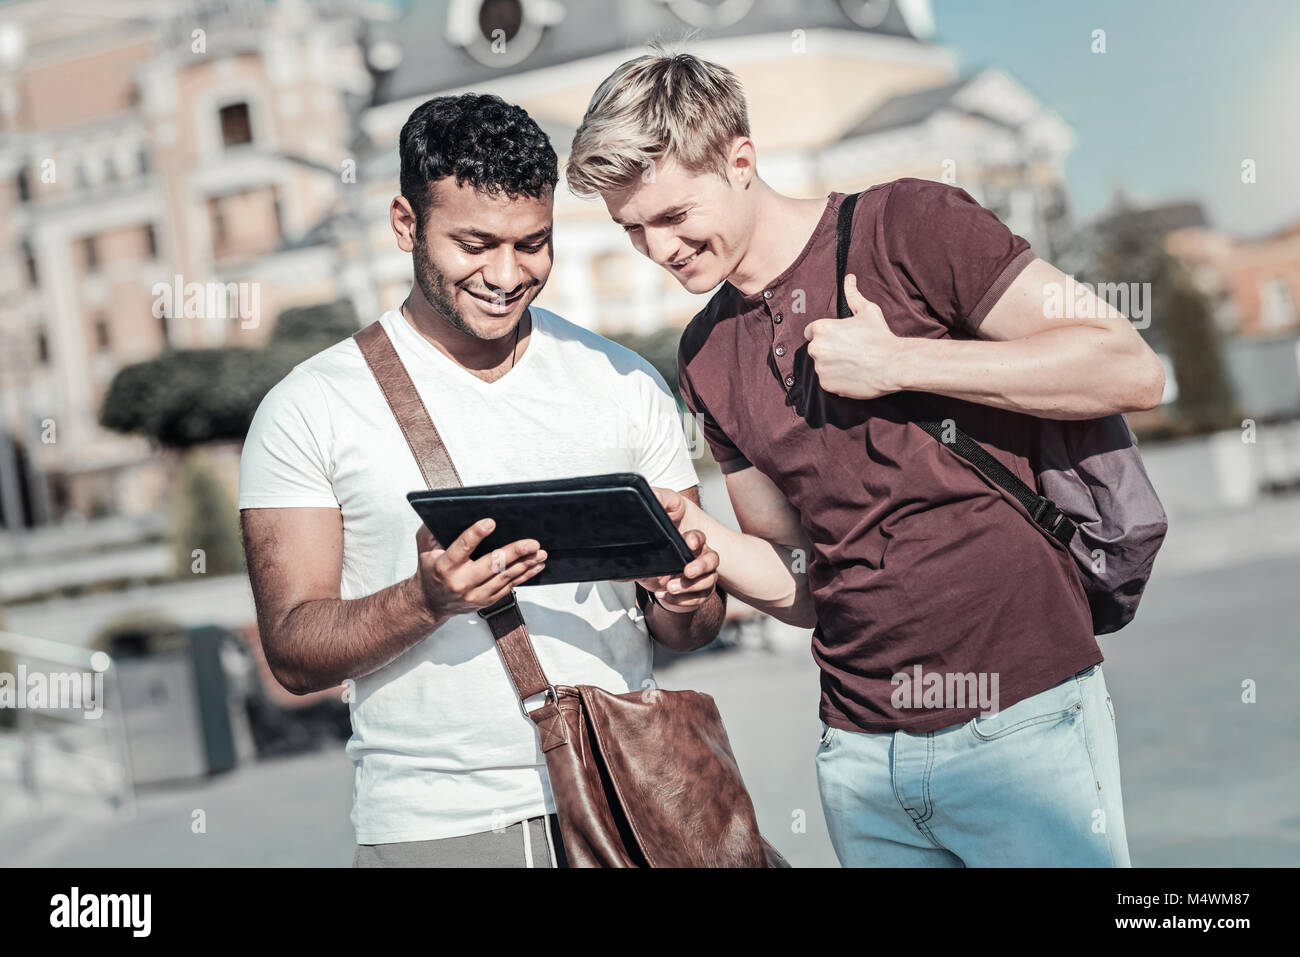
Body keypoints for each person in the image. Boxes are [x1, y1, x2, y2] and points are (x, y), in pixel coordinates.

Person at [565, 49, 1167, 867]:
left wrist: (905, 363)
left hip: (1022, 718)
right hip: (859, 758)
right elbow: (805, 578)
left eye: (672, 215)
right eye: (631, 228)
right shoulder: (704, 353)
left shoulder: (907, 225)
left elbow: (1127, 365)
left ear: (740, 160)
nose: (657, 247)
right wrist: (691, 538)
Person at [238, 92, 725, 868]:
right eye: (474, 243)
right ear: (406, 224)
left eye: (533, 243)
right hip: (440, 829)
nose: (506, 274)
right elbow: (294, 650)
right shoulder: (309, 406)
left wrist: (687, 596)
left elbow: (691, 630)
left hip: (632, 801)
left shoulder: (625, 381)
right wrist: (427, 599)